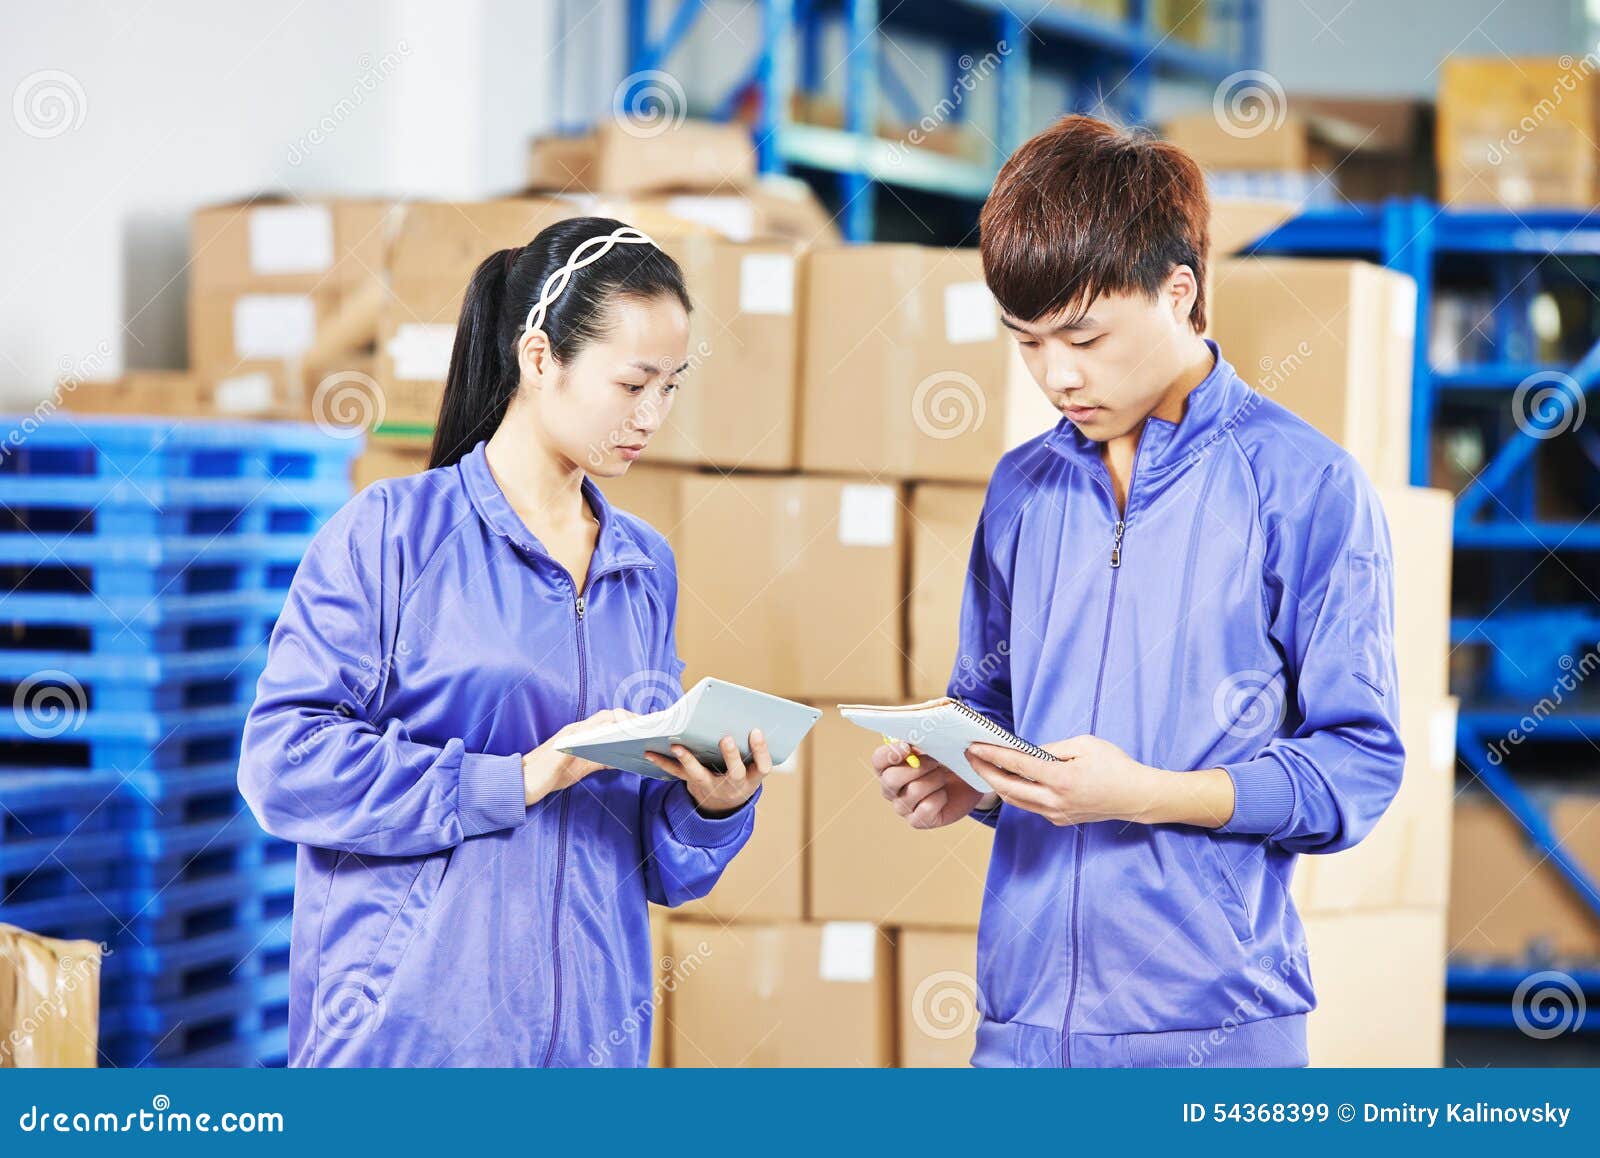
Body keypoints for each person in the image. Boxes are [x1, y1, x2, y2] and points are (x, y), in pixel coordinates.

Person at [870, 116, 1405, 1068]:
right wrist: (967, 776)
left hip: (1213, 1029)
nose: (1056, 377)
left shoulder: (1303, 486)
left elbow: (1359, 767)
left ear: (1180, 290)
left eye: (1082, 335)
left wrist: (1148, 795)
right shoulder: (1021, 490)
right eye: (1027, 342)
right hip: (1021, 1025)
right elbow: (990, 714)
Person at [239, 217, 770, 1067]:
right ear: (537, 357)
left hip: (592, 1046)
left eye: (671, 386)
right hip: (412, 1048)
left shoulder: (644, 567)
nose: (652, 414)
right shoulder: (390, 535)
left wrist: (712, 807)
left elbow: (659, 868)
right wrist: (519, 777)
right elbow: (282, 765)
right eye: (632, 383)